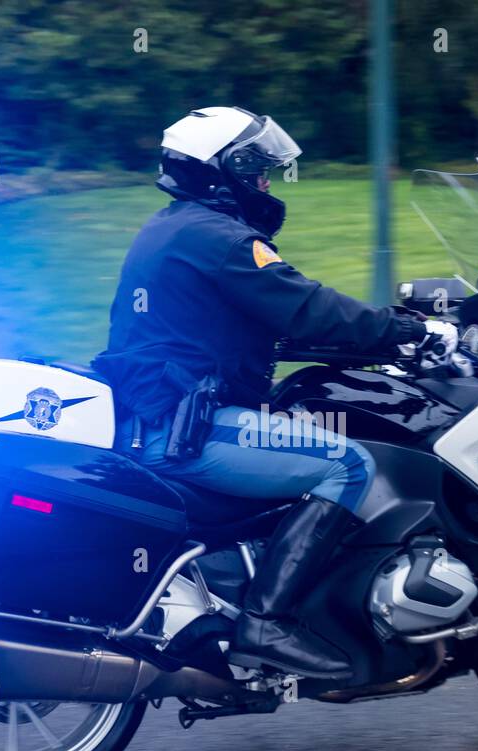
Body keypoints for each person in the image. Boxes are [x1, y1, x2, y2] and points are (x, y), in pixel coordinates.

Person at [92, 106, 457, 680]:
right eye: (256, 168)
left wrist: (351, 341)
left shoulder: (172, 227)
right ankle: (268, 622)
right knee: (346, 464)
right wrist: (413, 328)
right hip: (184, 430)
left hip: (153, 415)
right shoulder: (223, 240)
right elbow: (308, 306)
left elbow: (242, 326)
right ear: (223, 170)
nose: (265, 181)